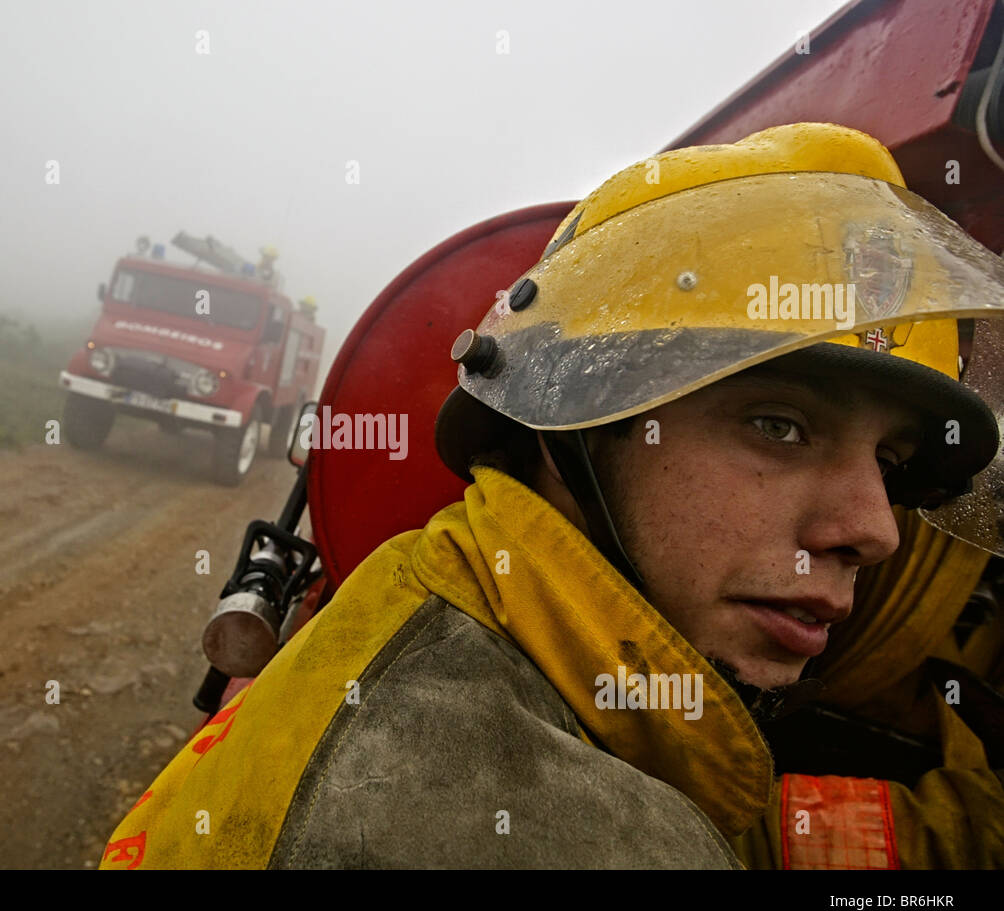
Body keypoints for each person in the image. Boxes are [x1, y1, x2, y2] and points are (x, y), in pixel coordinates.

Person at [100, 123, 1004, 869]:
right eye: (778, 425)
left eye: (890, 463)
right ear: (570, 427)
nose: (875, 530)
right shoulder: (531, 833)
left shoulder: (443, 601)